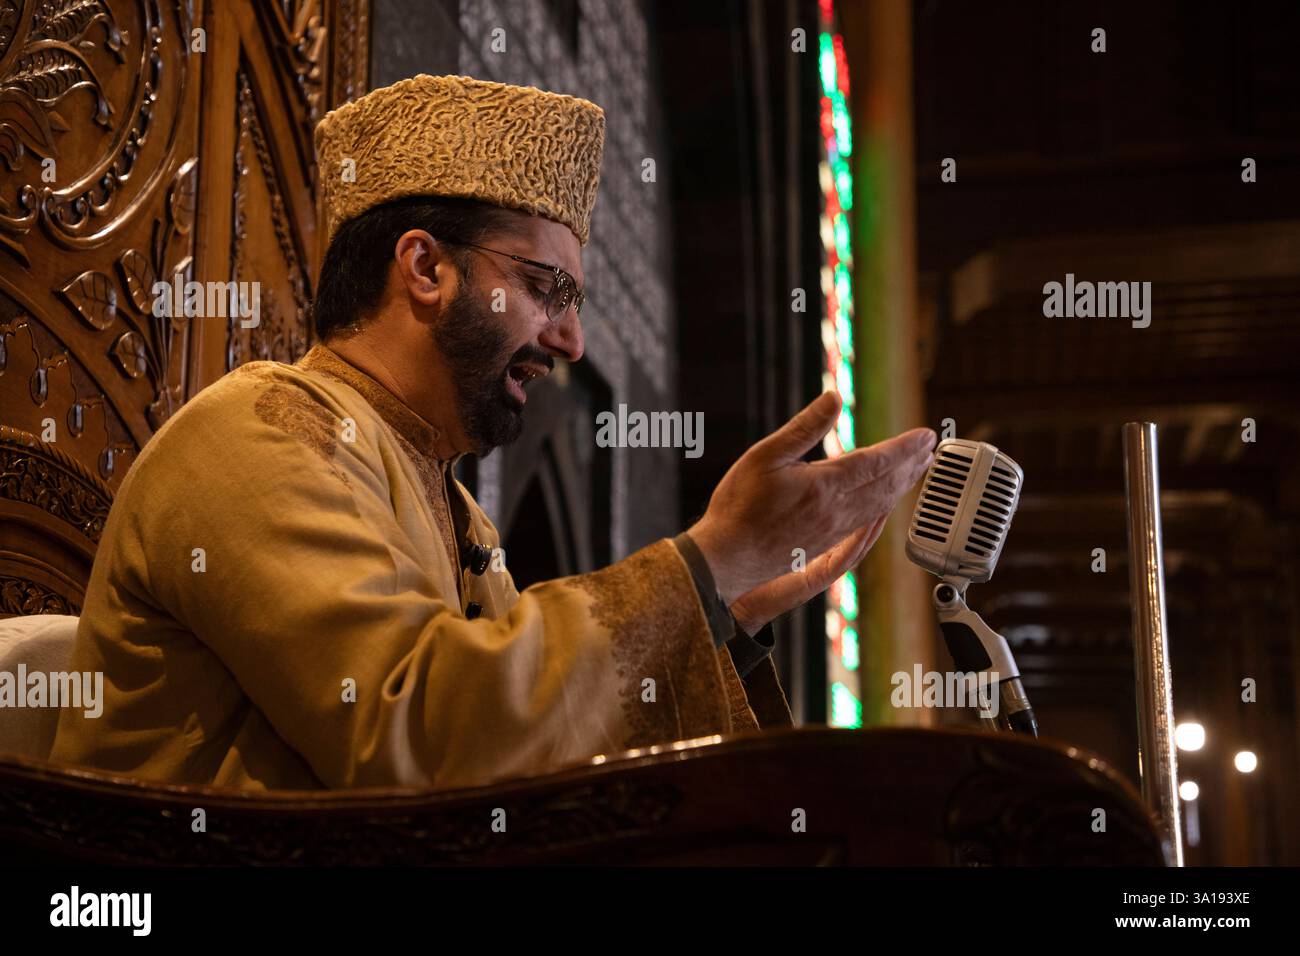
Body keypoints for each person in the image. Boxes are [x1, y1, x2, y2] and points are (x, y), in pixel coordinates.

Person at [49, 74, 936, 790]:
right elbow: (412, 733)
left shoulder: (456, 509)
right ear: (427, 268)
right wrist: (701, 567)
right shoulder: (257, 431)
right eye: (547, 289)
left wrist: (713, 612)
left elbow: (533, 763)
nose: (572, 340)